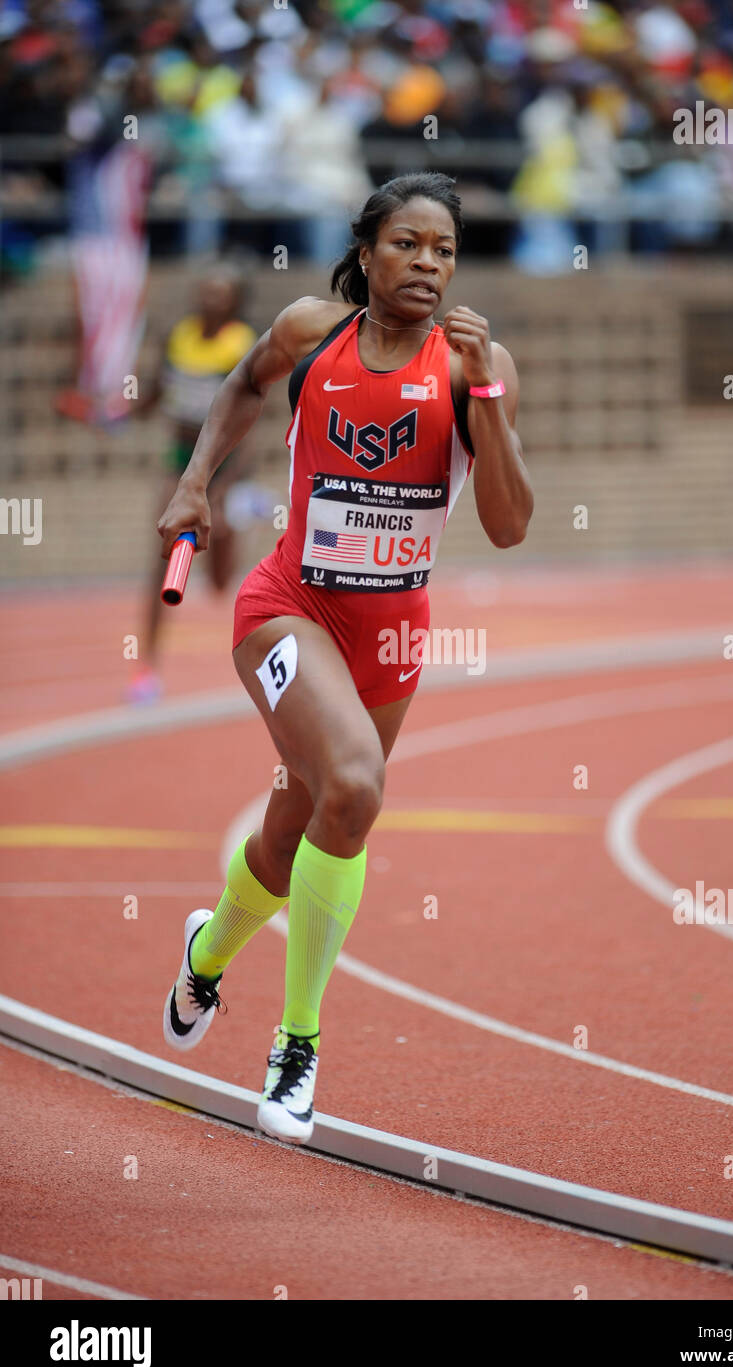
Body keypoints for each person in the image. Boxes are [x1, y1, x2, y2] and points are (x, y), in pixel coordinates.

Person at [158, 171, 533, 1143]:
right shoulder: (308, 332)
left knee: (296, 833)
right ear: (367, 252)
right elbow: (240, 386)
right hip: (286, 607)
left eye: (444, 250)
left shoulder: (469, 368)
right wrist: (197, 483)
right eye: (407, 243)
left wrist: (488, 391)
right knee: (356, 787)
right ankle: (299, 1045)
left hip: (392, 641)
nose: (427, 264)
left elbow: (507, 525)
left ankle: (206, 952)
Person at [130, 263, 257, 702]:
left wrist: (223, 489)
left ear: (235, 301)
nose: (210, 299)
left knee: (221, 580)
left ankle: (241, 512)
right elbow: (152, 396)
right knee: (161, 558)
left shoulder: (243, 345)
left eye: (221, 293)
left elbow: (248, 424)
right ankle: (146, 669)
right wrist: (114, 409)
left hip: (228, 464)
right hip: (181, 463)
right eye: (205, 290)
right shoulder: (179, 337)